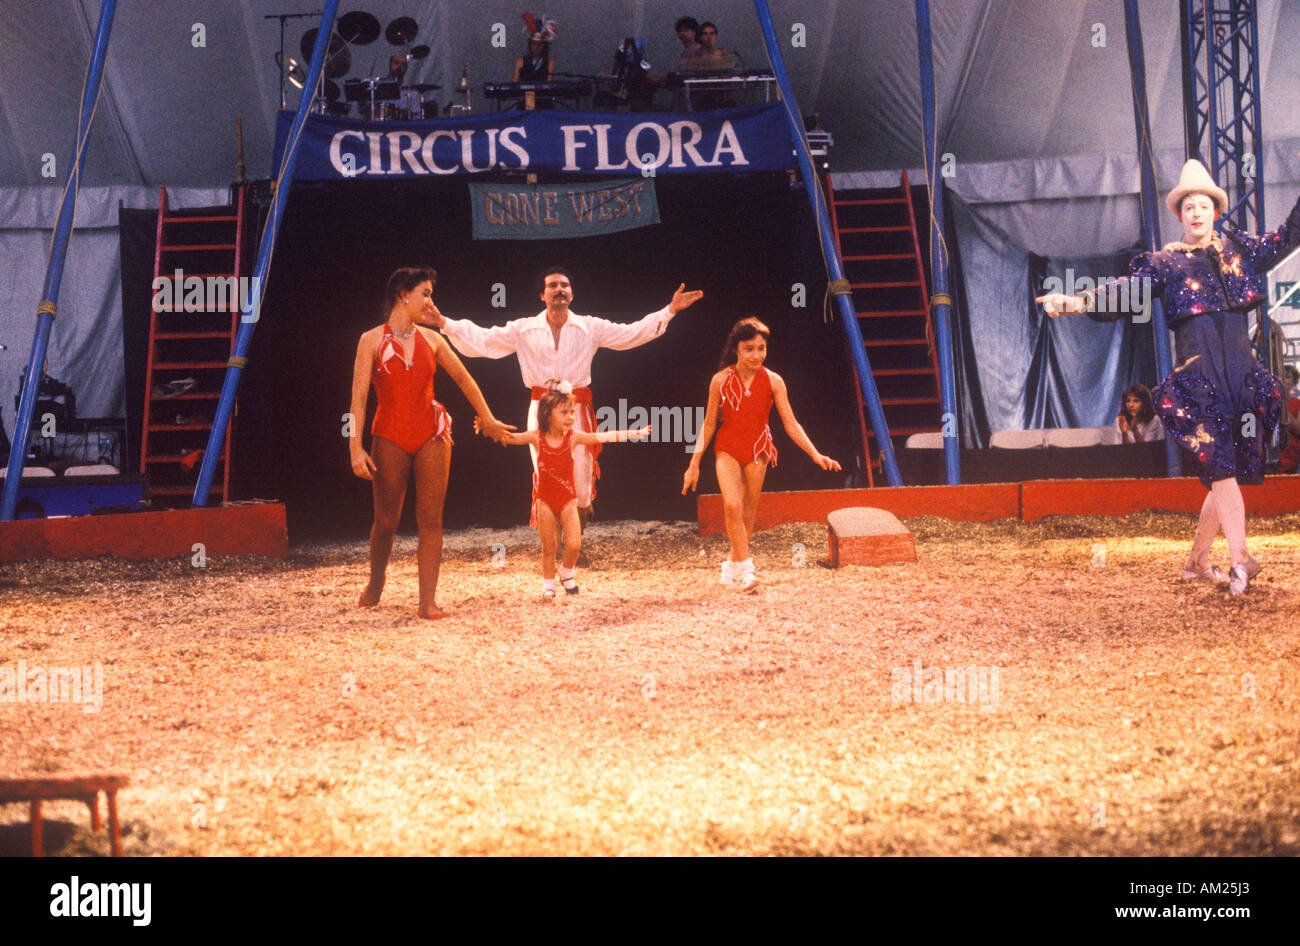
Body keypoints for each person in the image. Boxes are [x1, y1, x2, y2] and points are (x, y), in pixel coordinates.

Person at [1037, 158, 1300, 594]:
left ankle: (1197, 562)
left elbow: (1289, 236)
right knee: (1221, 468)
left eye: (1204, 205)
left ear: (1216, 211)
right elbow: (1123, 294)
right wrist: (1075, 302)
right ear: (1179, 215)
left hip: (1242, 373)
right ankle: (1240, 560)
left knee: (1224, 471)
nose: (1196, 212)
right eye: (1188, 206)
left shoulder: (1241, 251)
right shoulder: (1163, 264)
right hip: (1200, 378)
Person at [423, 267, 702, 532]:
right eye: (552, 285)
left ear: (572, 293)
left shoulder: (589, 327)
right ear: (542, 295)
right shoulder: (524, 329)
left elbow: (630, 333)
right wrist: (443, 323)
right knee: (546, 474)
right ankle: (553, 542)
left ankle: (575, 542)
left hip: (575, 409)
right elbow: (483, 341)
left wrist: (670, 310)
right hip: (541, 409)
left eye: (564, 285)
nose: (559, 289)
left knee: (580, 475)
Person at [349, 267, 512, 619]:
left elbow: (465, 379)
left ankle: (427, 602)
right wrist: (355, 448)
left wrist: (488, 418)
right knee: (386, 522)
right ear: (402, 294)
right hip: (389, 434)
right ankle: (376, 582)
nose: (430, 301)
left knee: (431, 519)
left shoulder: (434, 339)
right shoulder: (370, 340)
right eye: (425, 292)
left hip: (432, 433)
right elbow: (358, 400)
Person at [682, 318, 841, 592]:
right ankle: (747, 571)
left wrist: (816, 455)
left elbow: (791, 424)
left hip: (759, 449)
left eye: (761, 348)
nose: (756, 355)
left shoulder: (774, 381)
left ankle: (731, 564)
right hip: (727, 448)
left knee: (747, 514)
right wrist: (694, 462)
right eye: (749, 349)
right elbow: (708, 424)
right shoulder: (720, 380)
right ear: (737, 350)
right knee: (732, 505)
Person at [500, 381, 651, 598]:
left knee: (573, 545)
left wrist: (632, 433)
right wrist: (491, 427)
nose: (571, 417)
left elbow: (601, 437)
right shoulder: (536, 437)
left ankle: (566, 572)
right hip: (544, 500)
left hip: (568, 500)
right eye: (564, 412)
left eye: (572, 412)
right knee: (549, 547)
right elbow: (511, 438)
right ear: (547, 414)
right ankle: (549, 584)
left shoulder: (573, 437)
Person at [513, 16, 556, 82]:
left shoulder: (550, 63)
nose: (536, 47)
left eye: (539, 44)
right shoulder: (521, 63)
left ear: (544, 46)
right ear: (530, 44)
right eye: (534, 44)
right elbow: (514, 84)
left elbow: (549, 85)